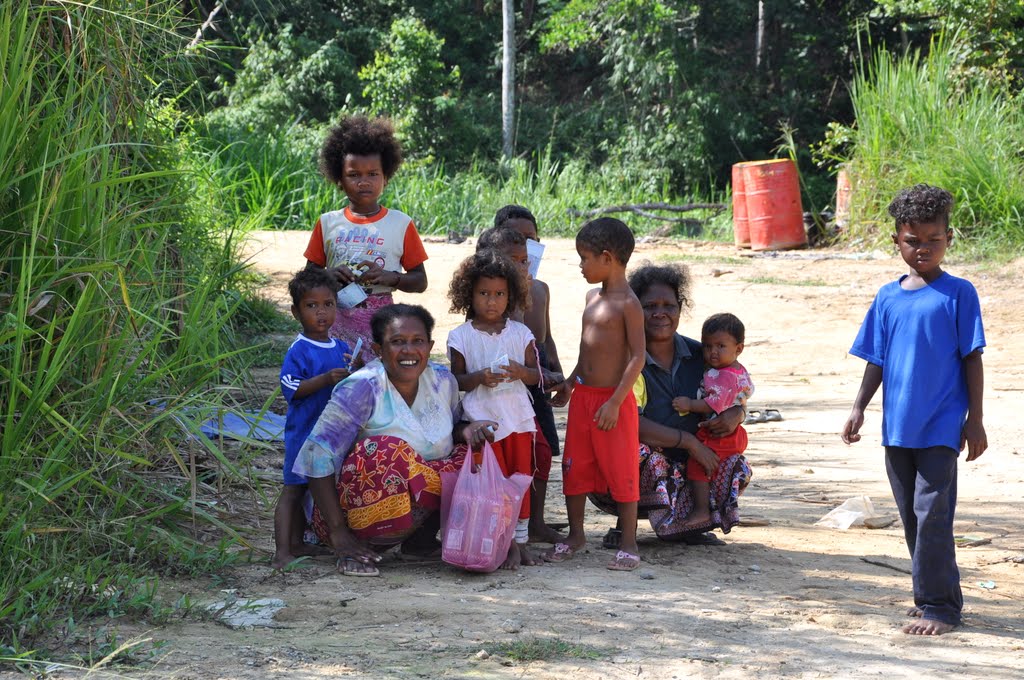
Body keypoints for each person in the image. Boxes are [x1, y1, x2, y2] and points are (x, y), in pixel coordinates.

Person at [842, 184, 987, 636]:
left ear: (948, 239)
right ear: (896, 240)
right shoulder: (887, 297)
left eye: (933, 240)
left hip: (942, 427)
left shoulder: (959, 294)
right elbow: (876, 359)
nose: (922, 249)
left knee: (933, 515)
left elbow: (972, 358)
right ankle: (931, 595)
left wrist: (975, 419)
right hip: (897, 428)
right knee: (911, 515)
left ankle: (941, 608)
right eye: (912, 240)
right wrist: (858, 407)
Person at [294, 304, 496, 576]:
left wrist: (468, 431)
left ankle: (420, 542)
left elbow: (451, 430)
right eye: (397, 342)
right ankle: (359, 546)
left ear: (430, 345)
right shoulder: (362, 387)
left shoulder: (442, 380)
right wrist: (339, 533)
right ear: (378, 350)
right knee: (386, 452)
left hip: (415, 501)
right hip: (345, 511)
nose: (409, 351)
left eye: (418, 342)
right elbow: (316, 455)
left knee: (472, 455)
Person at [594, 262, 749, 547]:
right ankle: (624, 523)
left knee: (736, 463)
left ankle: (692, 522)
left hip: (689, 463)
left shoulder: (703, 354)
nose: (660, 313)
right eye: (650, 305)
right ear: (635, 309)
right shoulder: (624, 360)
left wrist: (737, 414)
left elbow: (734, 391)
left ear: (680, 308)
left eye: (668, 305)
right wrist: (689, 442)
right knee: (637, 453)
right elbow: (629, 422)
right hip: (646, 459)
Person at [544, 217, 646, 571]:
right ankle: (576, 534)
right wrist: (571, 382)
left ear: (608, 258)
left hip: (612, 402)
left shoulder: (628, 303)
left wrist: (616, 401)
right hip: (584, 397)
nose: (581, 266)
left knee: (621, 471)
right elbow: (587, 352)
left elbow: (638, 356)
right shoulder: (592, 296)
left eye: (584, 258)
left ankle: (629, 543)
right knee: (575, 466)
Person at [303, 115, 428, 363]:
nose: (363, 182)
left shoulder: (401, 224)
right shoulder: (327, 223)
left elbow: (420, 281)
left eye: (372, 174)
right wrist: (329, 276)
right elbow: (307, 278)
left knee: (375, 385)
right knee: (336, 378)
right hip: (333, 322)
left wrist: (390, 277)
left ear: (386, 177)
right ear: (339, 180)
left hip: (382, 326)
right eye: (353, 175)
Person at [447, 249, 541, 569]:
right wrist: (479, 378)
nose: (492, 301)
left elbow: (535, 376)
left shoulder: (521, 334)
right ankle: (501, 541)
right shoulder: (460, 337)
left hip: (518, 419)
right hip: (482, 420)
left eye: (500, 294)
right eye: (484, 293)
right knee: (492, 483)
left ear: (511, 295)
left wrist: (520, 372)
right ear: (468, 295)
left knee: (521, 479)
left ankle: (521, 540)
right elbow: (457, 380)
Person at [477, 224, 565, 543]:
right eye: (514, 260)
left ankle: (533, 524)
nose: (522, 267)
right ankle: (505, 532)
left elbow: (536, 352)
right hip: (491, 404)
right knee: (506, 466)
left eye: (524, 260)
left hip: (522, 398)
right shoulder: (487, 306)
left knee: (540, 454)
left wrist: (552, 374)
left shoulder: (530, 293)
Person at [273, 269, 355, 569]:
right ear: (296, 312)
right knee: (294, 489)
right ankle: (282, 551)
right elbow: (292, 388)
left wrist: (355, 369)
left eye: (328, 304)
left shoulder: (342, 347)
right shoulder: (299, 350)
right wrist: (324, 379)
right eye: (311, 306)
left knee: (317, 486)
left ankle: (299, 542)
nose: (321, 312)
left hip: (331, 435)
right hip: (304, 433)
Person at [671, 313, 754, 531]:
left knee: (698, 465)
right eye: (707, 346)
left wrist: (689, 404)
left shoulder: (726, 376)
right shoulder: (732, 369)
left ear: (739, 348)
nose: (712, 352)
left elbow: (713, 403)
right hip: (726, 432)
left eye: (720, 346)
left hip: (720, 433)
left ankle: (701, 511)